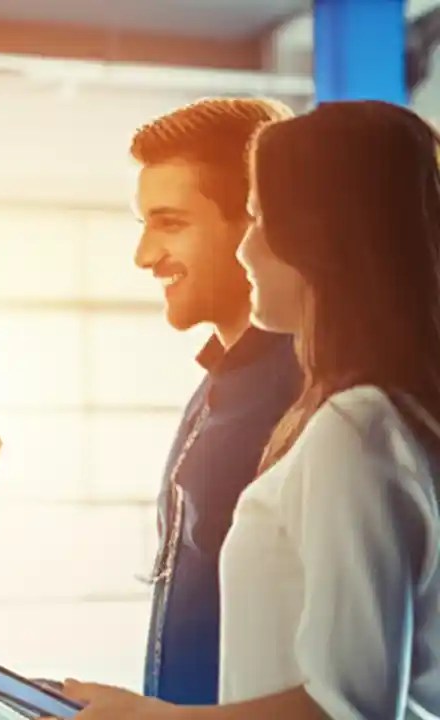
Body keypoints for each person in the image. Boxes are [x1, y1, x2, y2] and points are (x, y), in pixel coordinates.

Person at [58, 100, 440, 719]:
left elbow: (349, 706)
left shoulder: (351, 426)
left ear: (316, 237)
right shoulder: (355, 411)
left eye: (259, 220)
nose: (245, 249)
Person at [127, 97, 301, 705]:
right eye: (143, 224)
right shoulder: (211, 390)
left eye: (171, 223)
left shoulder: (313, 394)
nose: (143, 257)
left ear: (256, 222)